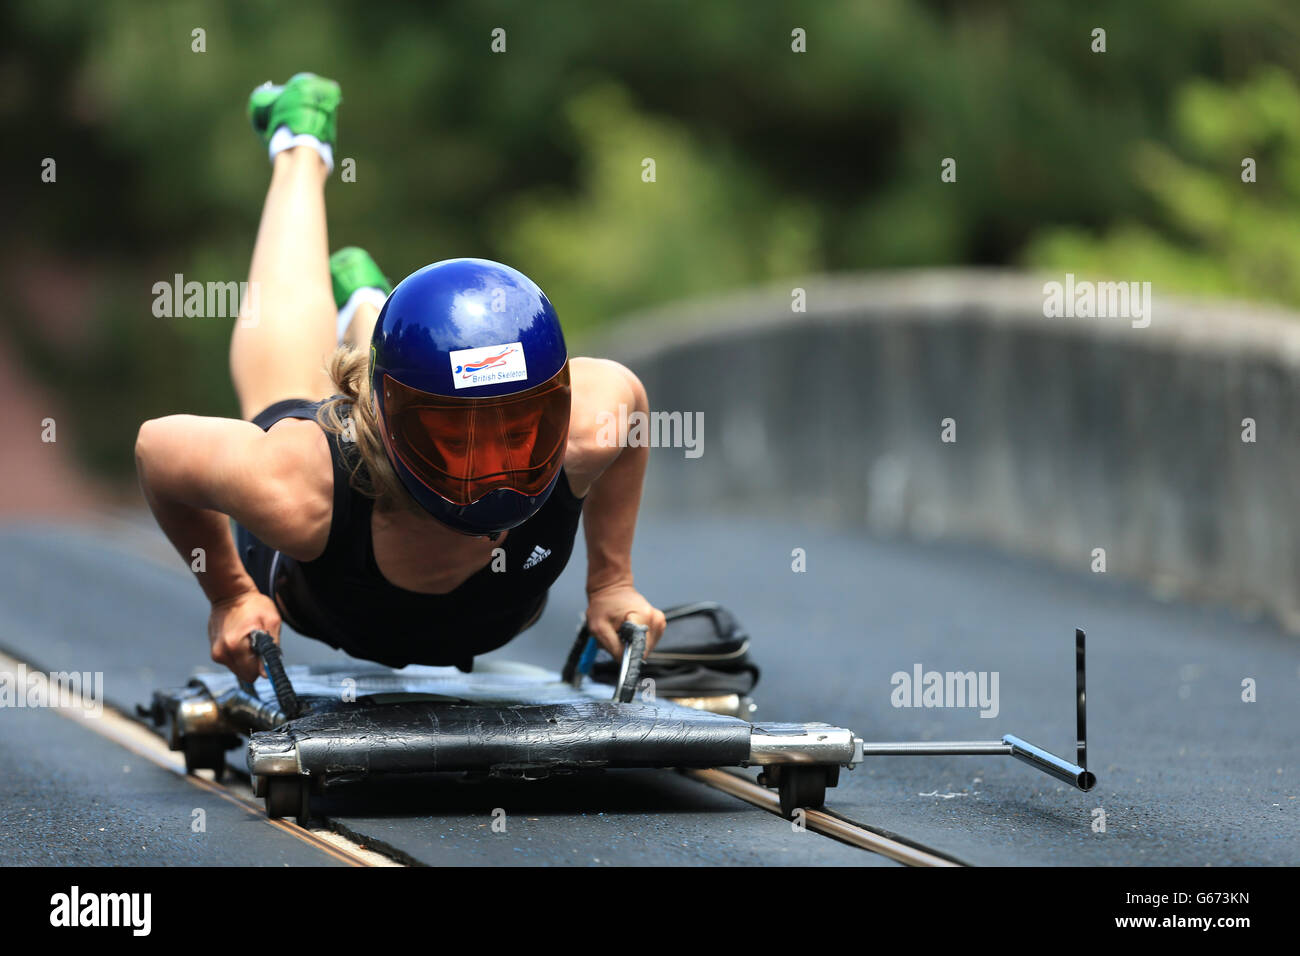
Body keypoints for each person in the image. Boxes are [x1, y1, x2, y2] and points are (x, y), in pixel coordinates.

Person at [135, 73, 666, 682]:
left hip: (402, 416)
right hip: (319, 599)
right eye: (454, 438)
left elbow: (628, 398)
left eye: (516, 430)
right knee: (281, 391)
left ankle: (367, 303)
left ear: (558, 400)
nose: (488, 471)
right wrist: (230, 593)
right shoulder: (299, 486)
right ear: (386, 426)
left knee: (423, 389)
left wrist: (613, 583)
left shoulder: (591, 428)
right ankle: (300, 141)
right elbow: (158, 449)